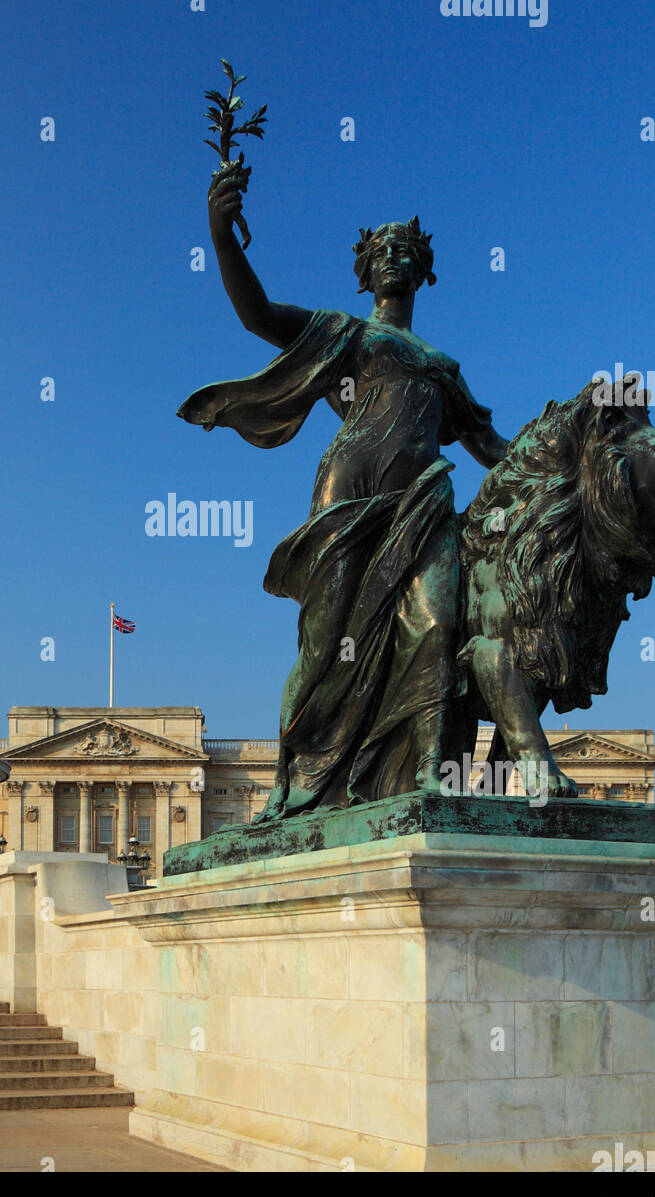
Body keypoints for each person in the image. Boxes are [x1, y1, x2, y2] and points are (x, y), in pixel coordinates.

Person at [179, 171, 509, 820]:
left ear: (423, 272)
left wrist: (571, 460)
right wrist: (223, 237)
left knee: (441, 626)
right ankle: (291, 778)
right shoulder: (349, 335)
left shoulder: (444, 367)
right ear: (365, 272)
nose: (393, 257)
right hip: (349, 497)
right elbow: (259, 316)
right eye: (380, 250)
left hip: (424, 501)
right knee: (327, 647)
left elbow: (494, 449)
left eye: (404, 250)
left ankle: (426, 785)